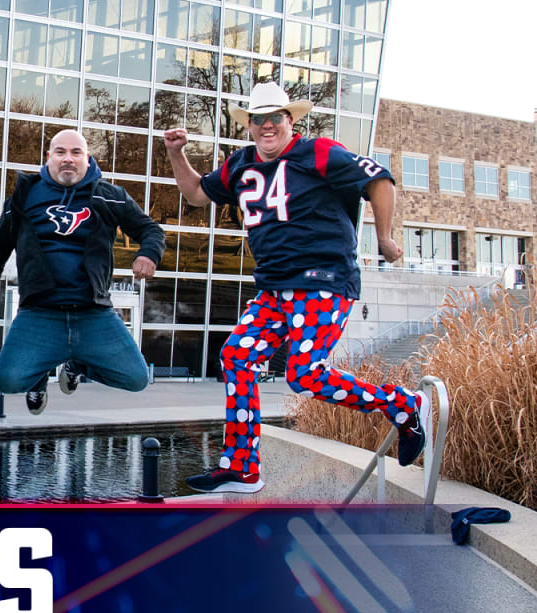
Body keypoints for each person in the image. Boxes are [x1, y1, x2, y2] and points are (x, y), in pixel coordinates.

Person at [163, 82, 429, 494]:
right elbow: (197, 194)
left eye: (275, 118)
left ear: (289, 121)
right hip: (274, 288)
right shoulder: (241, 164)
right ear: (249, 126)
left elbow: (380, 180)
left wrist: (385, 238)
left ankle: (405, 405)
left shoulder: (318, 152)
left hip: (322, 280)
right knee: (236, 356)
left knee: (305, 376)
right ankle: (242, 469)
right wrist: (176, 154)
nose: (267, 126)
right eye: (259, 120)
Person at [0, 129, 163, 415]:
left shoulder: (109, 195)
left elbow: (150, 229)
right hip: (40, 311)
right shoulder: (25, 197)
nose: (68, 159)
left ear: (87, 159)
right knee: (6, 381)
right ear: (49, 158)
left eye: (76, 153)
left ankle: (76, 366)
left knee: (136, 378)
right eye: (61, 152)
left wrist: (148, 253)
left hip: (93, 312)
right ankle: (39, 379)